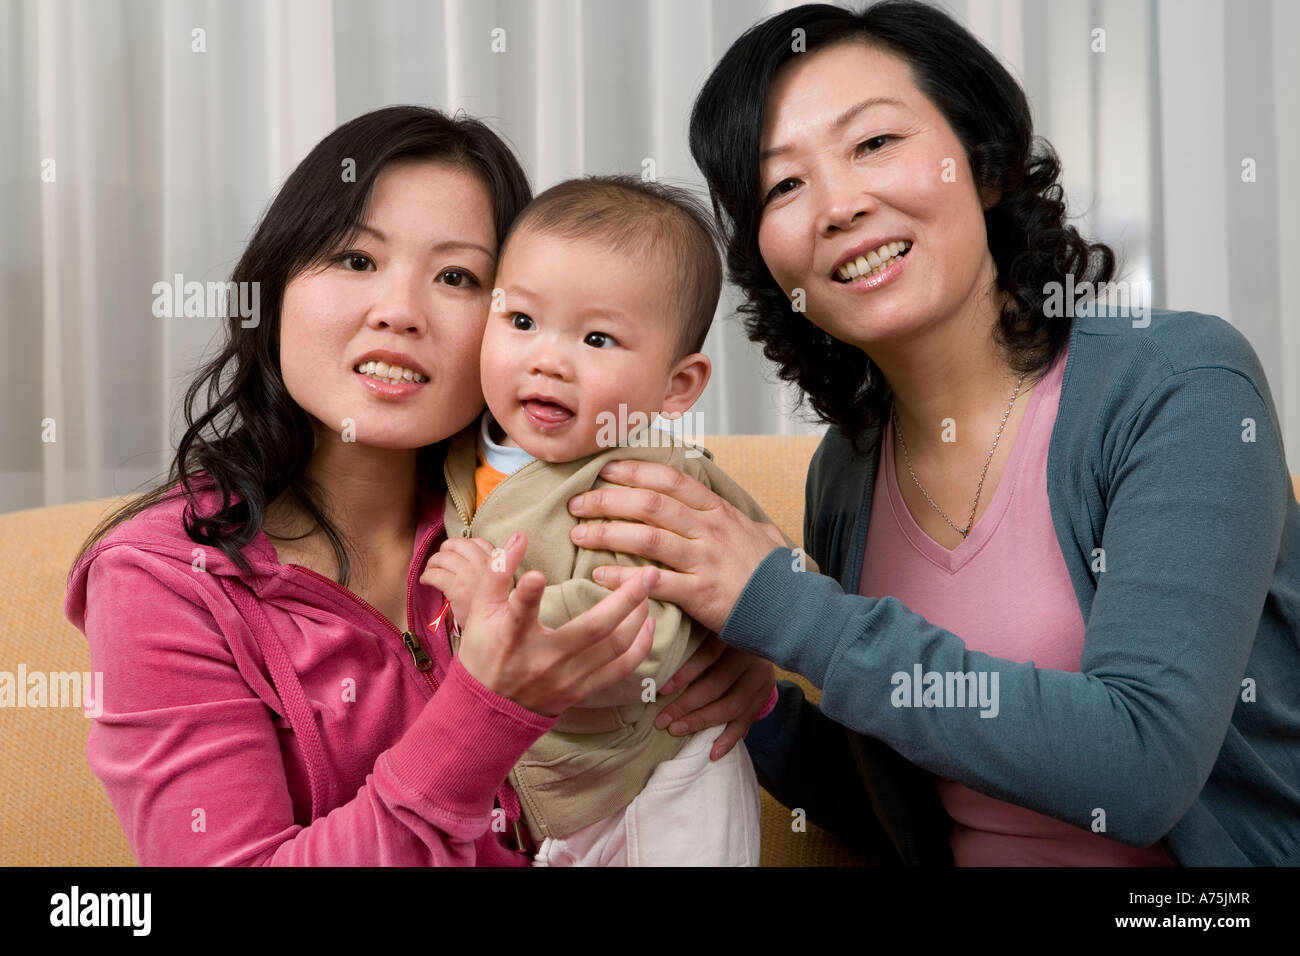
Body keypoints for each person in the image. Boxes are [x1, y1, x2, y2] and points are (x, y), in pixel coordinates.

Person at [566, 1, 1300, 866]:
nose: (838, 205)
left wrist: (784, 607)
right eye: (784, 185)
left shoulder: (1178, 384)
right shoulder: (847, 473)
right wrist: (748, 703)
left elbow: (1139, 769)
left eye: (874, 143)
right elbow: (905, 805)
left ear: (983, 166)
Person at [63, 106, 775, 866]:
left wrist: (735, 647)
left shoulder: (564, 496)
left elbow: (741, 599)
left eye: (457, 277)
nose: (399, 312)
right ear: (275, 287)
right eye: (356, 260)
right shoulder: (166, 577)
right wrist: (489, 707)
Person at [423, 176, 793, 865]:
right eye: (522, 322)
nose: (548, 359)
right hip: (561, 793)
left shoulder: (648, 480)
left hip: (667, 778)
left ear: (676, 387)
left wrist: (494, 611)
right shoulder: (466, 447)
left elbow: (642, 639)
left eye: (597, 338)